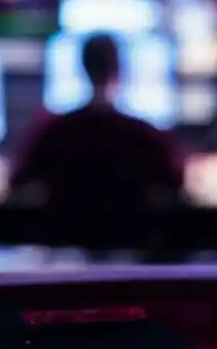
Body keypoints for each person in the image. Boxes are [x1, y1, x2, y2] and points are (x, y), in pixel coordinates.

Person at [10, 33, 184, 226]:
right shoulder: (145, 136)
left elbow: (17, 185)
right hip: (129, 242)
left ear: (83, 68)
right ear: (120, 70)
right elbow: (177, 189)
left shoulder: (52, 133)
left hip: (66, 242)